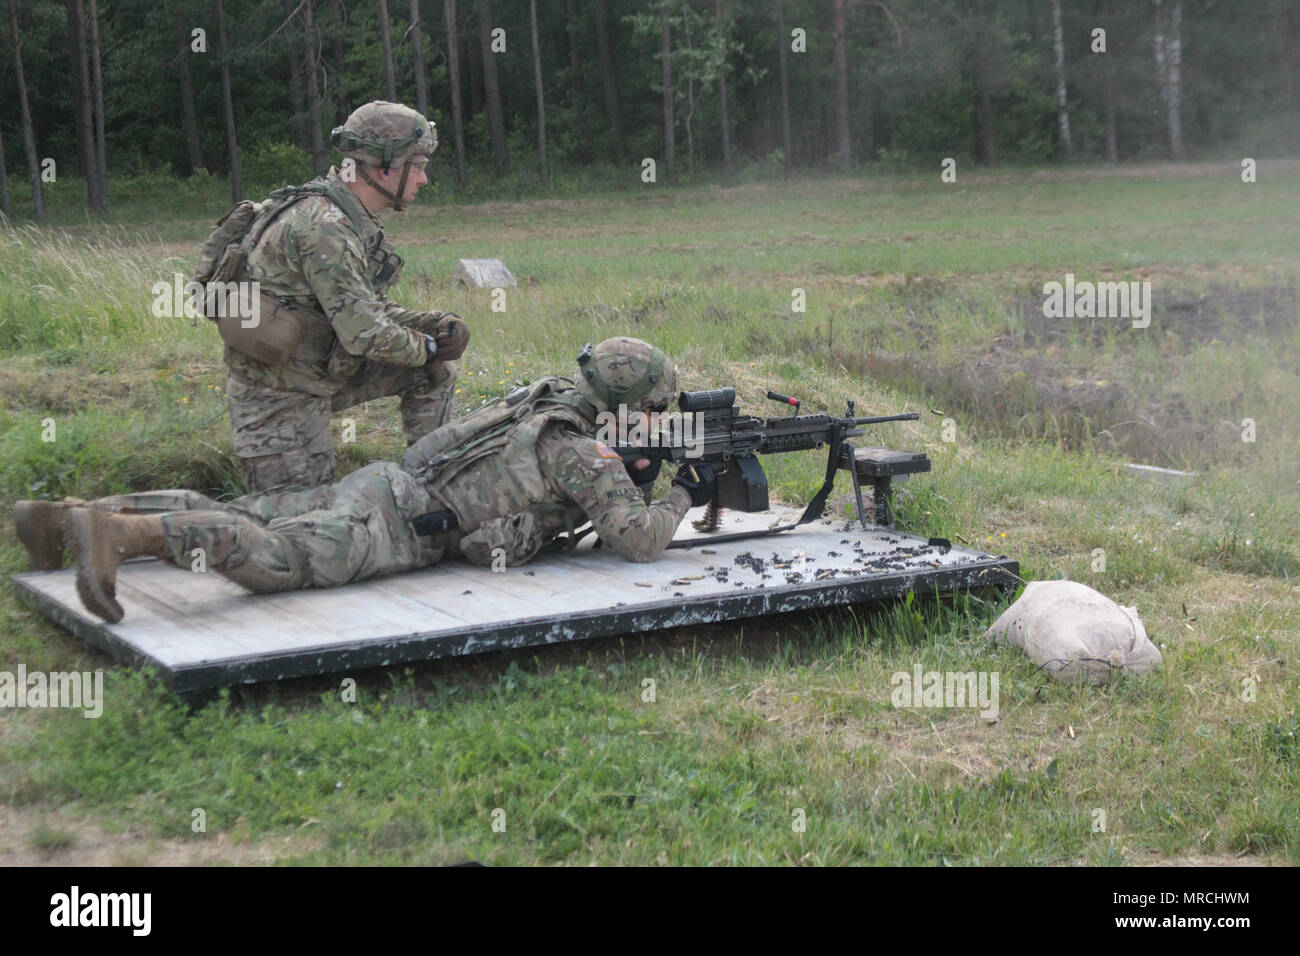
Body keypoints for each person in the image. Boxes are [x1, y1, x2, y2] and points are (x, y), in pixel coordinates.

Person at [13, 339, 716, 624]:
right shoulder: (581, 452)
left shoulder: (538, 403)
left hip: (384, 482)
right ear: (627, 408)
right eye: (651, 412)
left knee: (242, 510)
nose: (655, 423)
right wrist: (688, 489)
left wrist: (640, 468)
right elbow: (638, 541)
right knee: (275, 559)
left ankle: (72, 516)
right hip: (393, 525)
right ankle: (122, 532)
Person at [217, 100, 469, 492]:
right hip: (276, 399)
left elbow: (360, 307)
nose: (424, 180)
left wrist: (427, 324)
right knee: (299, 531)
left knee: (432, 372)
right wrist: (431, 344)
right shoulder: (325, 228)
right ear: (384, 165)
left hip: (313, 375)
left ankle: (432, 486)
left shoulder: (345, 214)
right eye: (417, 167)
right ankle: (143, 528)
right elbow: (365, 333)